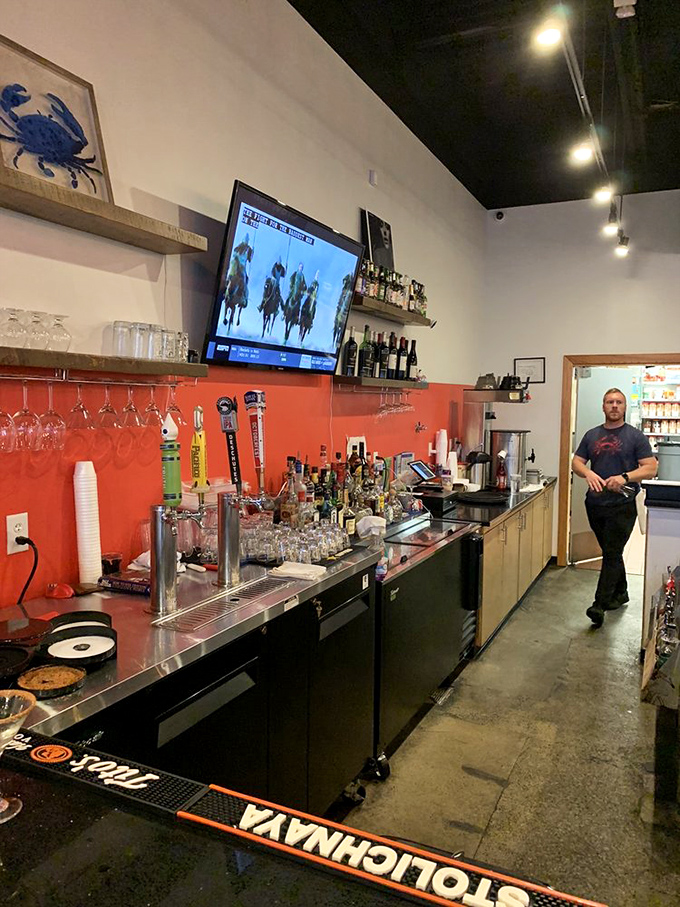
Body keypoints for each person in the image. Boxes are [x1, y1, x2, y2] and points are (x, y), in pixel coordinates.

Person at [572, 388, 657, 628]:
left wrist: (625, 476)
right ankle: (621, 593)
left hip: (623, 504)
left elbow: (651, 467)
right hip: (595, 503)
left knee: (610, 551)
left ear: (624, 407)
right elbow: (576, 461)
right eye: (610, 401)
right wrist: (587, 472)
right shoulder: (591, 435)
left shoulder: (635, 436)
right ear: (603, 406)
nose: (614, 406)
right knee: (612, 550)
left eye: (619, 402)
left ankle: (599, 605)